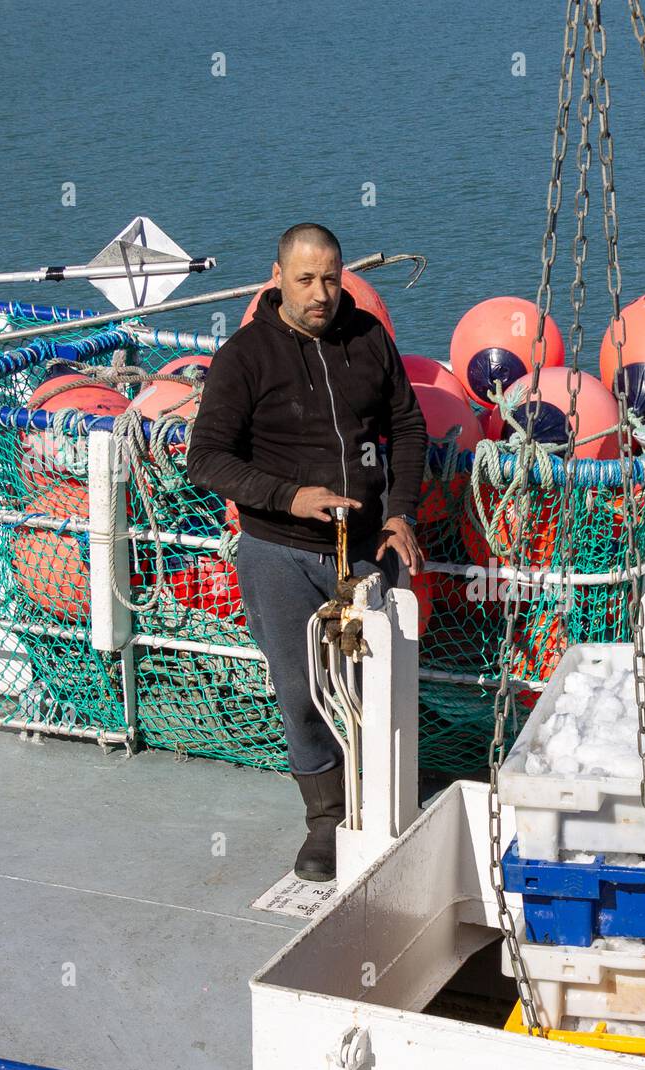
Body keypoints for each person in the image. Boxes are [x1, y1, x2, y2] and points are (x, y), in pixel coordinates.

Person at [186, 222, 427, 881]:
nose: (321, 293)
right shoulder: (245, 355)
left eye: (331, 278)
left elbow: (407, 424)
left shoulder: (368, 337)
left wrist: (401, 511)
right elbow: (204, 458)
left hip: (363, 557)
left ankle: (379, 800)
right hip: (279, 555)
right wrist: (288, 497)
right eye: (305, 280)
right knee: (300, 690)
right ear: (277, 277)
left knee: (366, 681)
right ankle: (324, 819)